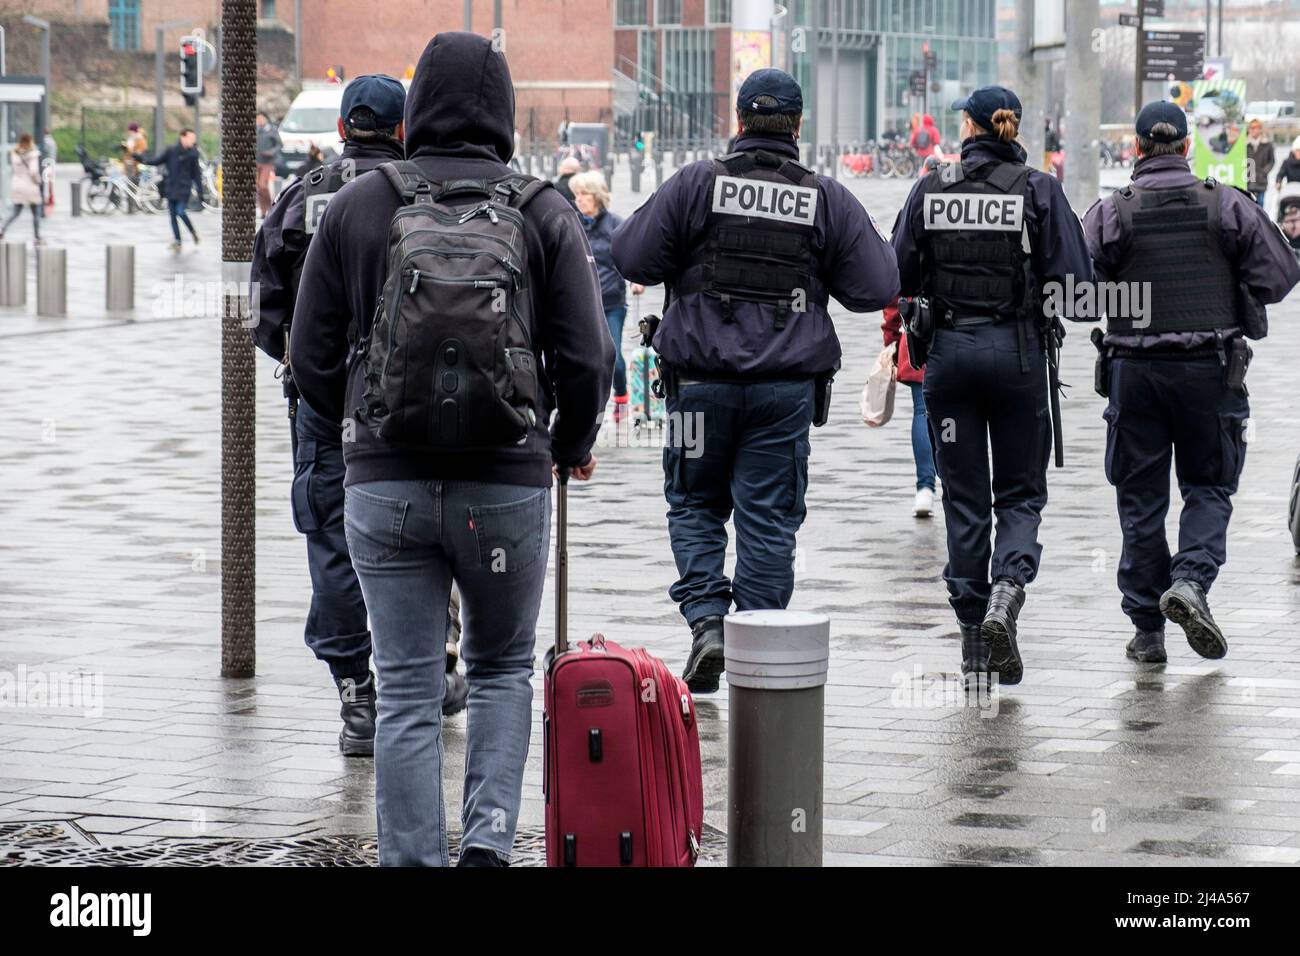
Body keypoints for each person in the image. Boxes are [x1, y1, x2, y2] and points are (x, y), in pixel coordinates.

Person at [290, 31, 612, 867]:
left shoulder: (363, 204)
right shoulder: (541, 207)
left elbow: (309, 355)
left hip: (386, 487)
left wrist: (356, 430)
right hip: (505, 485)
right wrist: (568, 443)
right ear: (503, 109)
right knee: (503, 668)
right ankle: (488, 847)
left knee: (404, 689)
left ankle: (411, 861)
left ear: (418, 104)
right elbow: (587, 357)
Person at [611, 68, 899, 693]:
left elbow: (630, 255)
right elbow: (878, 286)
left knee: (692, 502)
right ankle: (758, 652)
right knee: (767, 519)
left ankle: (708, 622)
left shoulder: (695, 184)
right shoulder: (825, 197)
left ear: (739, 121)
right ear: (799, 126)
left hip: (696, 389)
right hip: (782, 393)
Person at [251, 74, 469, 758]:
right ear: (403, 129)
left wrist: (310, 378)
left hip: (323, 404)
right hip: (414, 397)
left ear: (342, 128)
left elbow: (262, 306)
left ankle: (357, 696)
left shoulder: (302, 195)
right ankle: (437, 664)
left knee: (331, 536)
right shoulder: (425, 193)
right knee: (428, 522)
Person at [1082, 102, 1300, 664]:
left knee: (1140, 501)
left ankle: (1148, 631)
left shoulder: (1112, 212)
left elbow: (1075, 294)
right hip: (1211, 372)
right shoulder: (1226, 203)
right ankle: (1192, 583)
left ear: (1135, 149)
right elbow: (1278, 277)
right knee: (1208, 487)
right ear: (1184, 147)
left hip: (1135, 375)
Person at [891, 85, 1093, 686]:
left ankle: (974, 636)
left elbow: (893, 271)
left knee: (965, 497)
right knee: (1021, 494)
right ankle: (1008, 589)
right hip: (1019, 358)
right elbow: (1078, 289)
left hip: (949, 359)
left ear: (970, 129)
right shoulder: (1040, 189)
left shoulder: (932, 186)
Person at [570, 169, 644, 423]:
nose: (578, 199)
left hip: (612, 301)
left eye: (583, 194)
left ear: (597, 196)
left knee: (614, 357)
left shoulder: (616, 224)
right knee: (586, 358)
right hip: (583, 301)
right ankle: (590, 406)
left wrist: (636, 280)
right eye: (576, 194)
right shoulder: (573, 223)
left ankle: (621, 396)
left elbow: (633, 255)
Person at [136, 129, 205, 251]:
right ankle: (177, 241)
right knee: (172, 216)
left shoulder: (193, 154)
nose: (193, 141)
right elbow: (156, 162)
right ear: (182, 137)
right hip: (171, 187)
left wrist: (200, 192)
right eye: (191, 138)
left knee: (180, 211)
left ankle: (193, 231)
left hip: (184, 188)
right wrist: (140, 158)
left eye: (194, 138)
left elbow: (196, 174)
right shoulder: (171, 151)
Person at [1, 133, 43, 243]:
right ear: (30, 141)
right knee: (36, 213)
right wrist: (39, 180)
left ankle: (2, 229)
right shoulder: (33, 154)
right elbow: (33, 171)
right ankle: (36, 237)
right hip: (30, 186)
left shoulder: (14, 154)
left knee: (15, 212)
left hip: (18, 185)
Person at [1245, 119, 1275, 208]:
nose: (1255, 130)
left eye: (1257, 127)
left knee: (1260, 204)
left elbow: (1272, 161)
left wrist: (1264, 172)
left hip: (1261, 180)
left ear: (1261, 129)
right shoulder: (1244, 145)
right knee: (1248, 204)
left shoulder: (1267, 145)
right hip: (1247, 180)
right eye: (1252, 128)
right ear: (1249, 129)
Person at [256, 111, 280, 216]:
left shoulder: (272, 130)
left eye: (261, 118)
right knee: (259, 187)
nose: (260, 121)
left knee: (262, 185)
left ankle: (270, 207)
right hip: (257, 162)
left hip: (267, 162)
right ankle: (263, 210)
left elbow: (279, 145)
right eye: (258, 119)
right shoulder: (257, 131)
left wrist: (271, 152)